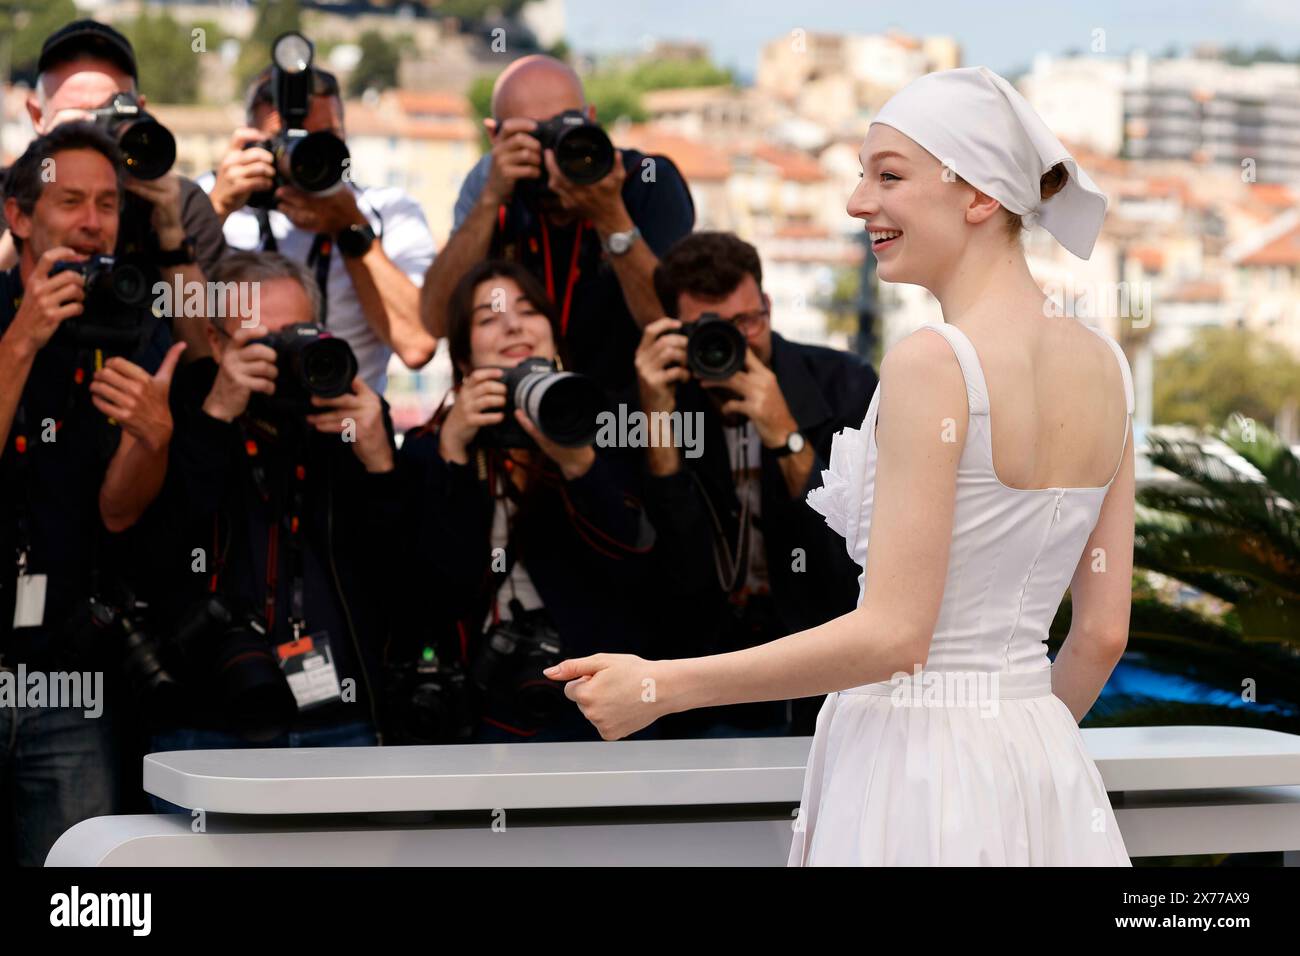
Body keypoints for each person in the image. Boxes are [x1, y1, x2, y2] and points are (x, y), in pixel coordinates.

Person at [545, 66, 1136, 866]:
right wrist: (1015, 752)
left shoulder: (935, 362)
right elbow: (1100, 634)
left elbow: (893, 634)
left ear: (979, 196)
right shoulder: (1109, 365)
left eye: (888, 175)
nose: (858, 202)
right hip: (1040, 762)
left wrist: (662, 686)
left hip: (909, 769)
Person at [137, 252, 400, 808]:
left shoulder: (350, 409)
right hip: (206, 725)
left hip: (339, 722)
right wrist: (215, 417)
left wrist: (379, 464)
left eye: (297, 335)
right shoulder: (185, 406)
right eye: (262, 340)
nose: (285, 356)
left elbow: (399, 569)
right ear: (215, 339)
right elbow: (154, 552)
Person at [0, 123, 185, 865]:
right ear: (18, 216)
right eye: (70, 200)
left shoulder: (132, 320)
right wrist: (20, 341)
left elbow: (119, 509)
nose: (91, 221)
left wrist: (154, 438)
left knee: (77, 893)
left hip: (68, 677)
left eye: (107, 204)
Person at [396, 260, 655, 743]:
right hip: (475, 703)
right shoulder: (430, 445)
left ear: (553, 338)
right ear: (465, 359)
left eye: (528, 310)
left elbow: (636, 568)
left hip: (591, 701)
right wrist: (453, 452)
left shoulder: (603, 426)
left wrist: (579, 463)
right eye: (488, 317)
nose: (513, 324)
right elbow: (434, 589)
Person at [634, 232, 876, 737]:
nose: (738, 344)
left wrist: (786, 434)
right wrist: (657, 417)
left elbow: (854, 559)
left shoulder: (845, 384)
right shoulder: (659, 402)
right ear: (675, 331)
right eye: (714, 331)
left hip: (821, 671)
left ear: (767, 305)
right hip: (697, 674)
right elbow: (671, 566)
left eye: (748, 321)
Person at [420, 55, 695, 394]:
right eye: (533, 136)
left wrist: (611, 217)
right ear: (495, 136)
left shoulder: (645, 180)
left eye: (566, 129)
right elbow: (435, 320)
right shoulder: (491, 185)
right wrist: (490, 199)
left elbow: (668, 326)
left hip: (629, 415)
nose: (553, 152)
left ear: (591, 120)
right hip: (525, 409)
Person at [0, 19, 228, 362]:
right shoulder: (8, 193)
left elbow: (203, 356)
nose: (98, 135)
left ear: (140, 112)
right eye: (79, 119)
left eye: (110, 116)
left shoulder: (179, 203)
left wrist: (171, 240)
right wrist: (28, 223)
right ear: (37, 116)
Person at [200, 65, 437, 393]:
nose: (304, 158)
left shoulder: (389, 210)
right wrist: (217, 210)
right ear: (250, 140)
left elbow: (417, 344)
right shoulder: (211, 201)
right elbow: (168, 315)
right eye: (287, 142)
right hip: (235, 421)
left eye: (324, 140)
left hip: (346, 424)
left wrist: (352, 229)